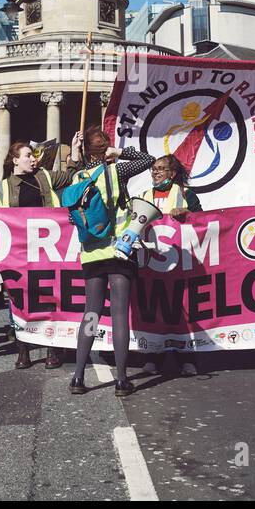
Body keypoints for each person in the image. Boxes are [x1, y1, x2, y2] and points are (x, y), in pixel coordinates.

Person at [68, 127, 154, 396]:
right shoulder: (116, 172)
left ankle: (79, 377)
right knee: (118, 315)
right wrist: (119, 152)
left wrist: (77, 152)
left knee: (91, 313)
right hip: (118, 250)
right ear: (105, 150)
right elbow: (148, 160)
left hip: (91, 253)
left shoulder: (77, 177)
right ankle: (121, 380)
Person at [0, 140, 77, 370]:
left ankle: (52, 349)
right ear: (15, 160)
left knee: (50, 298)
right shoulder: (1, 187)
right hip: (19, 252)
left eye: (33, 155)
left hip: (48, 250)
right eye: (28, 155)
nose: (34, 159)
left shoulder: (45, 177)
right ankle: (23, 349)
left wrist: (76, 150)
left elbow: (71, 176)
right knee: (19, 301)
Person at [141, 154, 204, 379]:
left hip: (180, 266)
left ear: (172, 174)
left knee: (180, 313)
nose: (155, 172)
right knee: (154, 310)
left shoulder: (187, 195)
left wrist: (188, 214)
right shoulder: (144, 196)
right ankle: (153, 357)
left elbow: (204, 223)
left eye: (161, 169)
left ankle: (186, 358)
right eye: (153, 169)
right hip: (151, 265)